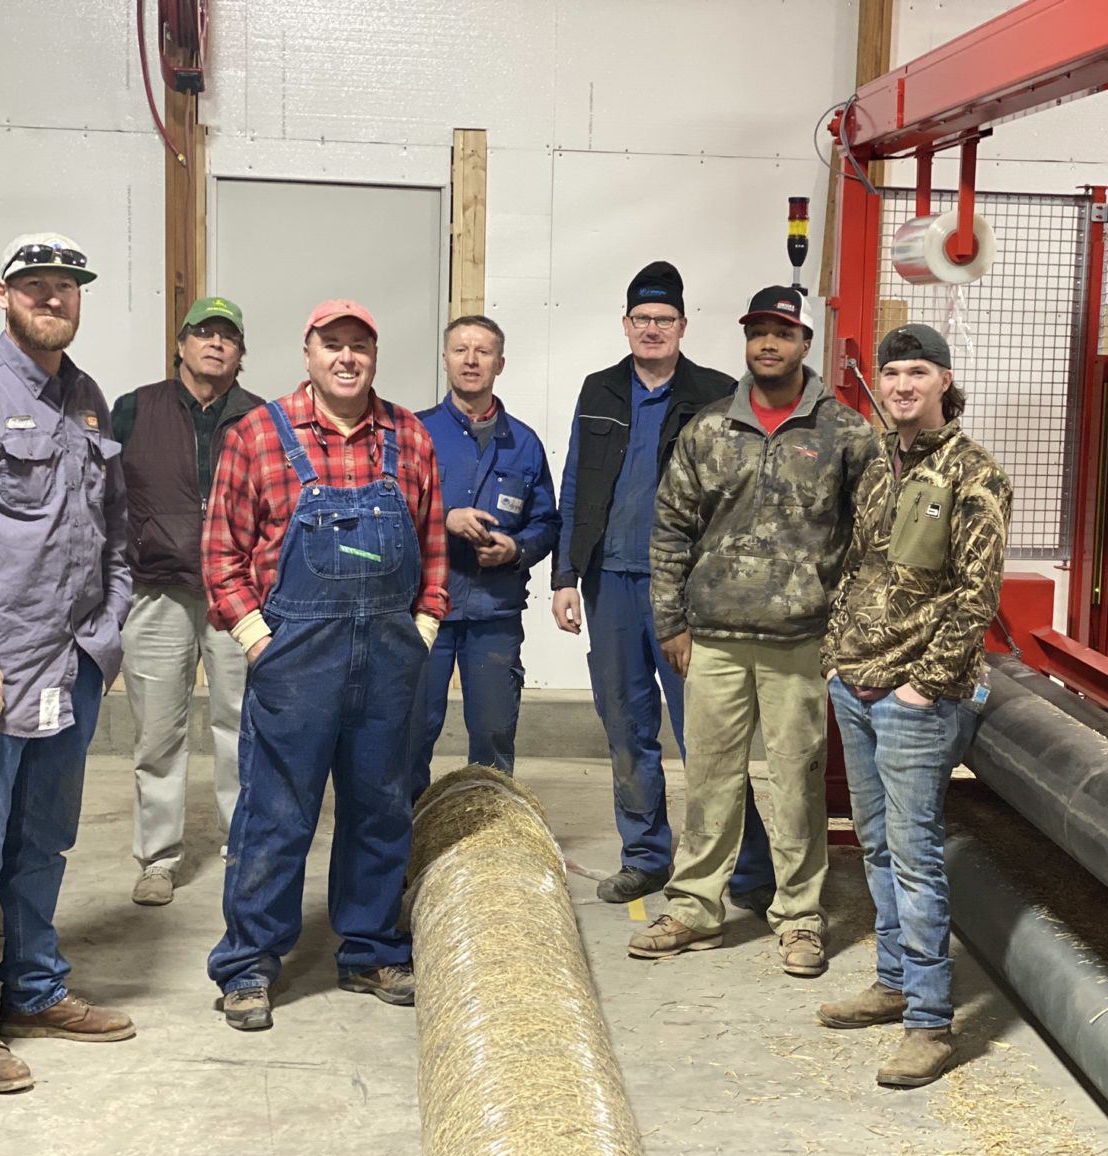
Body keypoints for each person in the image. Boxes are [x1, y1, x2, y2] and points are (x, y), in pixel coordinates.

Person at [0, 232, 136, 1093]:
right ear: (3, 294)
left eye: (69, 287)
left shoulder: (85, 398)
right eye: (38, 286)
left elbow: (113, 526)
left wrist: (109, 628)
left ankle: (34, 991)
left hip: (72, 660)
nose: (56, 298)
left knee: (46, 837)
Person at [203, 299, 447, 1031]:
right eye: (331, 344)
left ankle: (369, 947)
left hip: (390, 660)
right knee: (275, 816)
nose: (347, 358)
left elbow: (435, 547)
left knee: (381, 808)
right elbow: (219, 553)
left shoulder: (409, 436)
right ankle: (248, 963)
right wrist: (255, 638)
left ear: (374, 355)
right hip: (294, 658)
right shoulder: (257, 434)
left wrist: (425, 627)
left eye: (359, 346)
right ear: (308, 354)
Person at [630, 286, 874, 977]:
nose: (768, 344)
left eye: (782, 333)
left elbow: (869, 540)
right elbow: (671, 527)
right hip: (714, 640)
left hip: (799, 643)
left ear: (804, 344)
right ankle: (695, 907)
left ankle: (799, 917)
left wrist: (844, 631)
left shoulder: (845, 433)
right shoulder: (709, 430)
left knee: (796, 782)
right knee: (709, 778)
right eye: (757, 332)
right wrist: (672, 622)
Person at [816, 323, 1011, 1087]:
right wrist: (839, 658)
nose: (901, 385)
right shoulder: (875, 466)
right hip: (856, 684)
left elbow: (977, 594)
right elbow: (855, 568)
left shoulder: (975, 474)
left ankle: (931, 1021)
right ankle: (894, 981)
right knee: (876, 845)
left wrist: (924, 684)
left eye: (917, 372)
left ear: (944, 382)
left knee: (918, 857)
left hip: (917, 700)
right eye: (892, 371)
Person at [552, 261, 775, 907]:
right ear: (626, 325)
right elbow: (575, 483)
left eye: (664, 320)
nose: (653, 329)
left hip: (687, 592)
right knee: (626, 729)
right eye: (642, 319)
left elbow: (740, 497)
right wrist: (566, 574)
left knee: (707, 734)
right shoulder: (598, 390)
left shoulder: (714, 392)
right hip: (610, 586)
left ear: (682, 325)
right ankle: (646, 856)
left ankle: (747, 868)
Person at [112, 296, 263, 907]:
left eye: (228, 336)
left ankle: (242, 847)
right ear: (181, 344)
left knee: (240, 726)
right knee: (157, 732)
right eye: (204, 333)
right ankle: (157, 859)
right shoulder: (133, 410)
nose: (216, 344)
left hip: (238, 595)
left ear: (240, 353)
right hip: (156, 591)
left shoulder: (261, 416)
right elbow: (102, 494)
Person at [410, 316, 559, 794]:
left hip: (494, 611)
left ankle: (490, 844)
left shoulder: (524, 444)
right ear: (446, 359)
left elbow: (547, 521)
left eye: (483, 351)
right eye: (460, 350)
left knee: (494, 739)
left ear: (500, 363)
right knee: (410, 736)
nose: (471, 360)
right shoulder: (417, 433)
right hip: (424, 611)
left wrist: (517, 549)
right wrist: (445, 518)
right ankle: (400, 852)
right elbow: (388, 511)